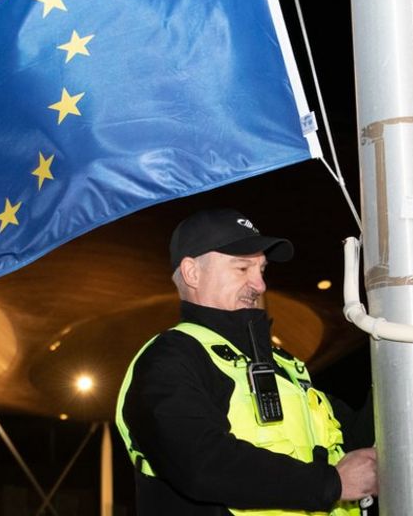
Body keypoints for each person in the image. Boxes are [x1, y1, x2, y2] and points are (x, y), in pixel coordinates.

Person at [115, 208, 377, 515]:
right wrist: (331, 483)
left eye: (262, 270)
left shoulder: (286, 368)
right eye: (242, 269)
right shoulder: (167, 359)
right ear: (191, 273)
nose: (260, 285)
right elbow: (200, 462)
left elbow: (360, 437)